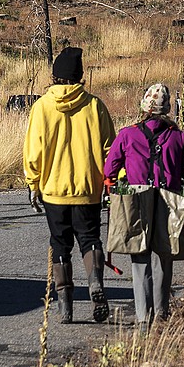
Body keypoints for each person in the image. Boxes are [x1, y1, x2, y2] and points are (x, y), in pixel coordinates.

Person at [23, 47, 116, 325]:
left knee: (60, 244)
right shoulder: (95, 106)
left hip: (54, 190)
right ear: (80, 76)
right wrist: (109, 183)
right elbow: (110, 149)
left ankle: (65, 303)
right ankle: (96, 281)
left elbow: (34, 151)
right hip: (88, 190)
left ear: (54, 76)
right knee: (89, 239)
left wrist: (33, 182)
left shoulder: (41, 107)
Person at [104, 84, 184, 329]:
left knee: (139, 258)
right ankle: (161, 313)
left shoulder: (127, 134)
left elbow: (109, 170)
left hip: (137, 199)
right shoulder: (178, 136)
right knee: (163, 258)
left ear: (144, 107)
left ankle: (142, 316)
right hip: (169, 201)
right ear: (166, 109)